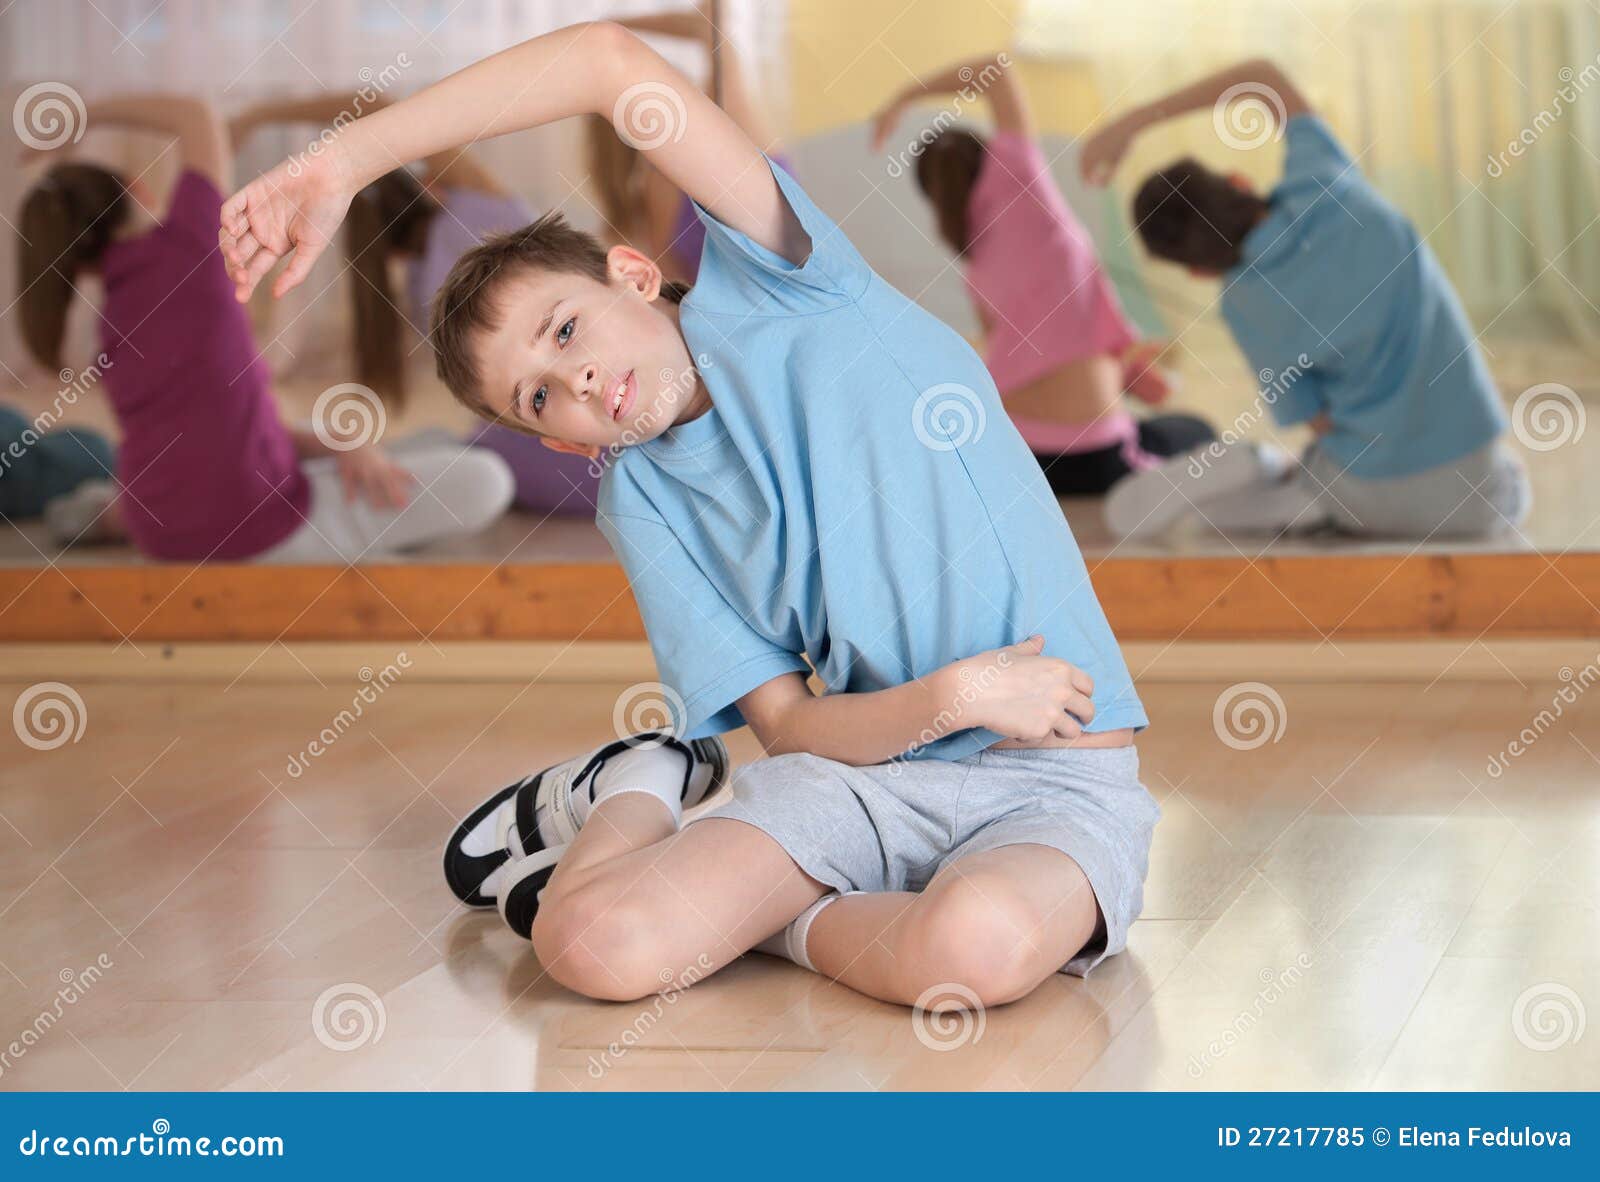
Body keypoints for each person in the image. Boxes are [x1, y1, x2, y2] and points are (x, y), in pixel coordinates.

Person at [220, 20, 1159, 1011]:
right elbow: (791, 726)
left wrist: (344, 161)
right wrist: (954, 699)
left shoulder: (789, 283)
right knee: (590, 945)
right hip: (861, 779)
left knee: (975, 950)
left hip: (1054, 781)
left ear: (630, 273)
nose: (574, 378)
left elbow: (604, 64)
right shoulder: (645, 503)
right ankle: (636, 785)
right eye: (538, 397)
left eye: (565, 328)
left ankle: (779, 923)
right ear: (558, 443)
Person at [15, 93, 512, 562]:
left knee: (426, 444)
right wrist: (86, 113)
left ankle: (115, 507)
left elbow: (233, 424)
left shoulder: (111, 329)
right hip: (262, 529)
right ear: (136, 189)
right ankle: (115, 506)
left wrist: (347, 446)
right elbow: (194, 113)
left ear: (77, 264)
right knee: (489, 478)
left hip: (160, 533)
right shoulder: (190, 244)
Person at [1081, 58, 1529, 540]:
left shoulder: (1244, 305)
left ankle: (1265, 475)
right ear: (1237, 180)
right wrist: (1131, 123)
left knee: (1303, 479)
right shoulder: (1325, 182)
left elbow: (1317, 419)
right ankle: (1286, 483)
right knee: (1513, 487)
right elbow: (1261, 76)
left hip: (1368, 500)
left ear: (1197, 268)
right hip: (1477, 502)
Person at [232, 96, 600, 516]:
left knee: (408, 455)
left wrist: (257, 117)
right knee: (420, 457)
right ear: (427, 186)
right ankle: (290, 473)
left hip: (515, 456)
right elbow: (383, 106)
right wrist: (260, 113)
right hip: (564, 466)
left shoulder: (422, 288)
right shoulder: (480, 204)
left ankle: (274, 470)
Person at [872, 54, 1214, 497]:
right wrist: (905, 95)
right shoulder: (1020, 176)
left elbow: (1023, 355)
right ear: (988, 156)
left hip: (1026, 464)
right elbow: (998, 70)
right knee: (1195, 428)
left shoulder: (976, 269)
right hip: (1101, 460)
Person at [587, 5, 791, 283]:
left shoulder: (652, 191)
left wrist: (610, 28)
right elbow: (710, 32)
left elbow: (676, 288)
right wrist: (616, 26)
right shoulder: (682, 166)